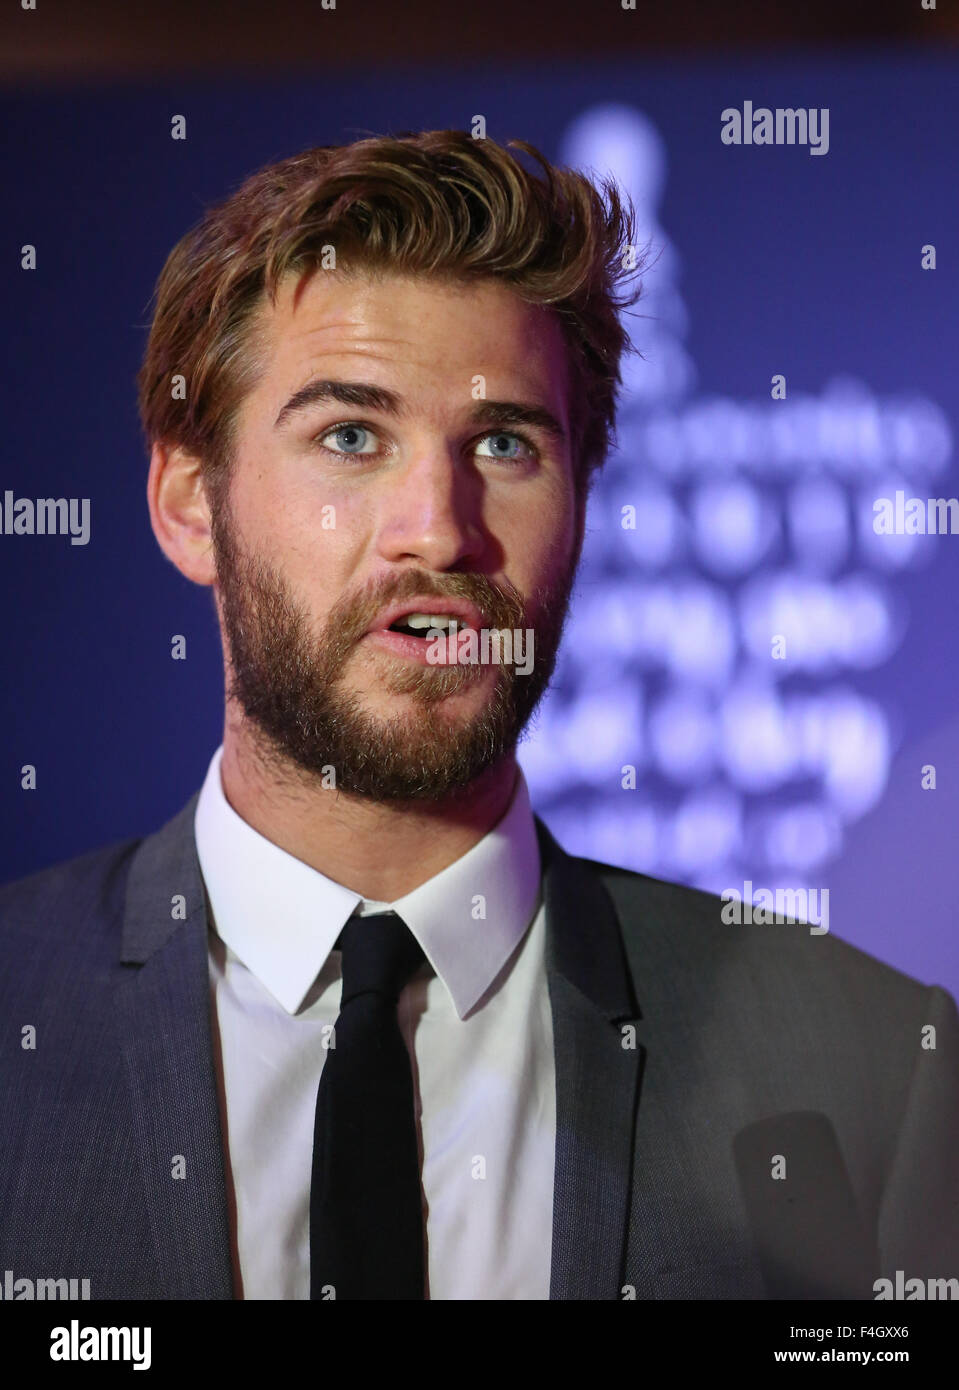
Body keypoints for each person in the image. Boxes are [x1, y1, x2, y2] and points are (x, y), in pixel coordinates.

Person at [1, 130, 956, 1302]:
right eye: (350, 436)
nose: (439, 529)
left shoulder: (869, 1069)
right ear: (190, 504)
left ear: (583, 500)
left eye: (503, 443)